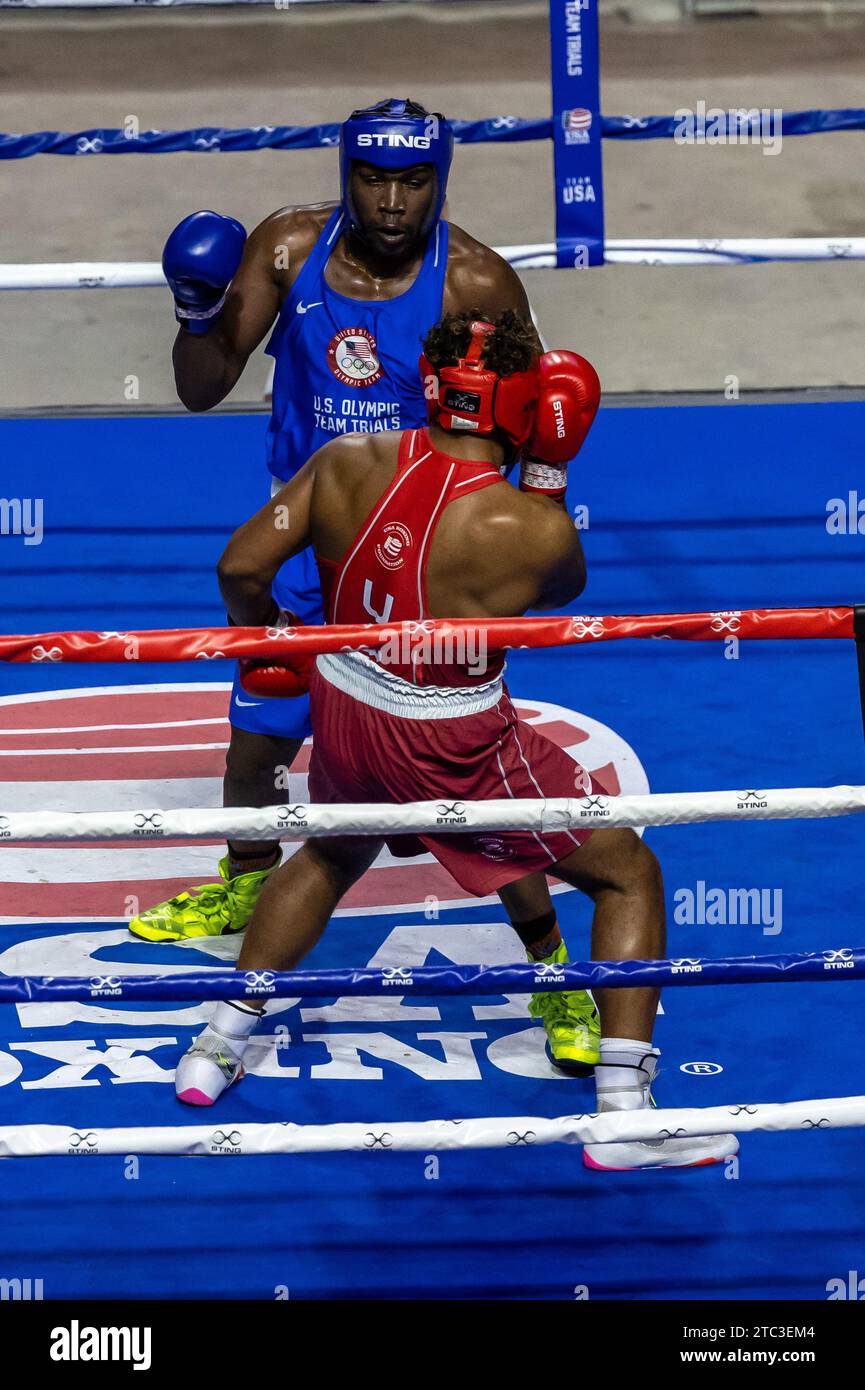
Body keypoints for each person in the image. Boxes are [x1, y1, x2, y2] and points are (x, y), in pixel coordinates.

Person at [174, 311, 738, 1172]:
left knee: (328, 856)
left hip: (346, 703)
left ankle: (214, 1047)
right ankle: (623, 1115)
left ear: (431, 384)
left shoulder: (343, 463)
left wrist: (275, 646)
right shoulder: (528, 528)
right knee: (628, 872)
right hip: (451, 740)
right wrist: (546, 466)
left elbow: (239, 566)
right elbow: (564, 583)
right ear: (520, 404)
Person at [132, 97, 600, 1075]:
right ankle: (243, 878)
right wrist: (197, 310)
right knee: (257, 734)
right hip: (315, 519)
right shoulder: (285, 250)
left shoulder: (473, 280)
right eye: (373, 178)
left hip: (422, 547)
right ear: (347, 172)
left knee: (471, 783)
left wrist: (494, 558)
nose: (391, 201)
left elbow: (510, 436)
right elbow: (200, 386)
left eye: (413, 180)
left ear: (441, 179)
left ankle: (554, 978)